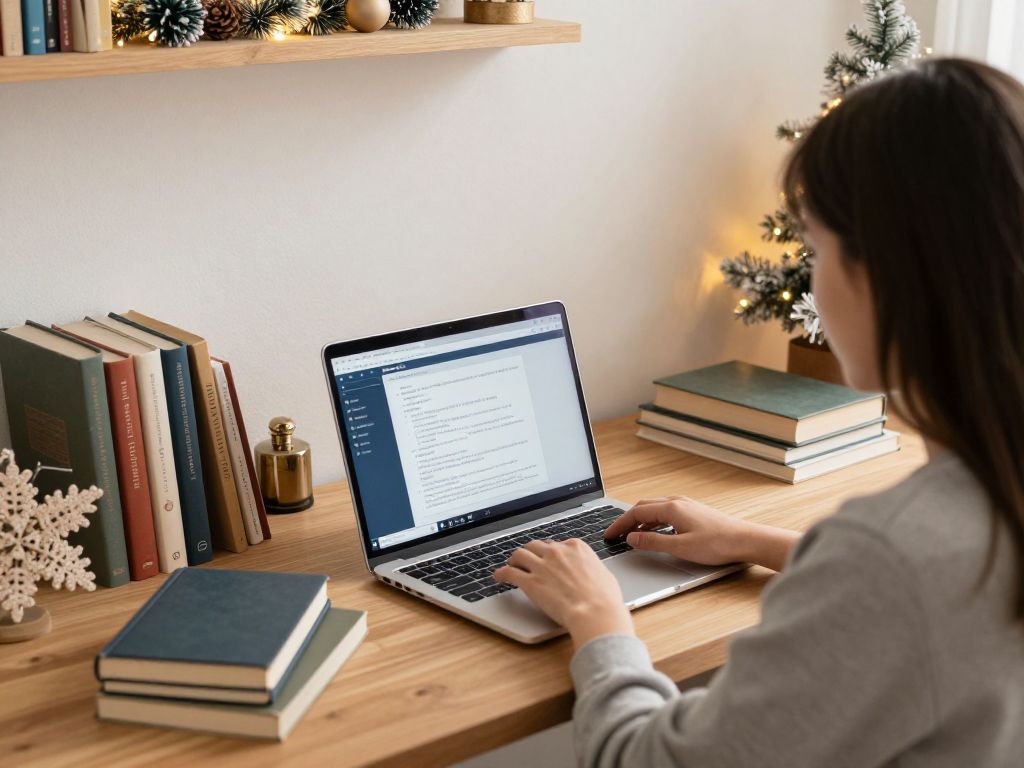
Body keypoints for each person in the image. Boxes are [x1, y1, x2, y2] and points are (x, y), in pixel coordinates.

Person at [494, 58, 1024, 767]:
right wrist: (758, 540)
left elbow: (647, 760)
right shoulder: (970, 511)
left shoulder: (894, 556)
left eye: (814, 246)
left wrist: (598, 620)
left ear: (888, 272)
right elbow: (930, 597)